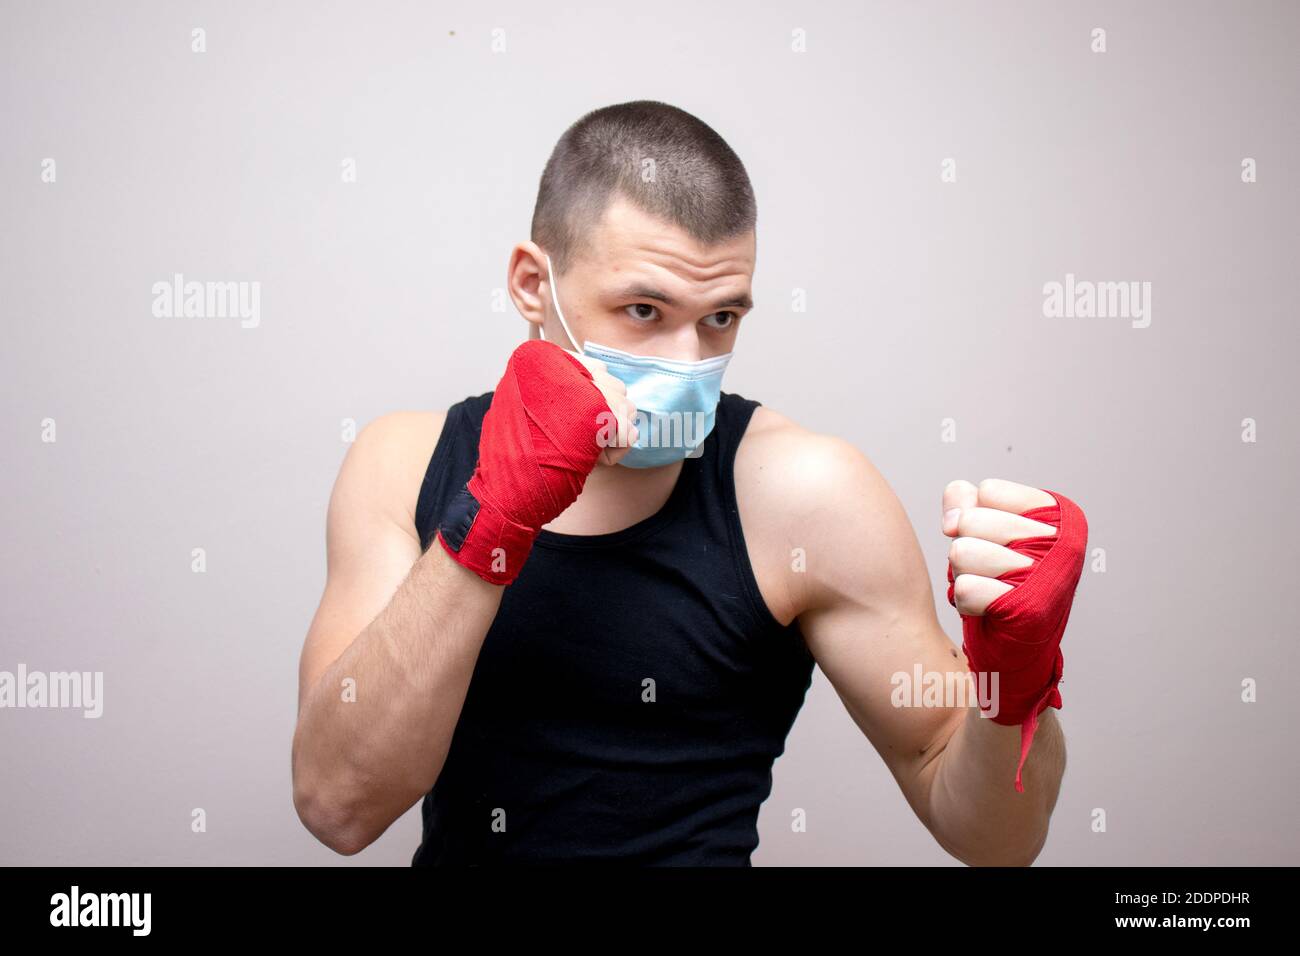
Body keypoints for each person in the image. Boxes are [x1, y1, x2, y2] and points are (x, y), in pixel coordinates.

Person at [290, 100, 1087, 866]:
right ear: (534, 284)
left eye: (720, 319)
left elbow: (995, 841)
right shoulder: (405, 464)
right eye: (643, 309)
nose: (686, 363)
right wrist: (490, 518)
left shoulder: (803, 495)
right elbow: (338, 807)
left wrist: (1012, 690)